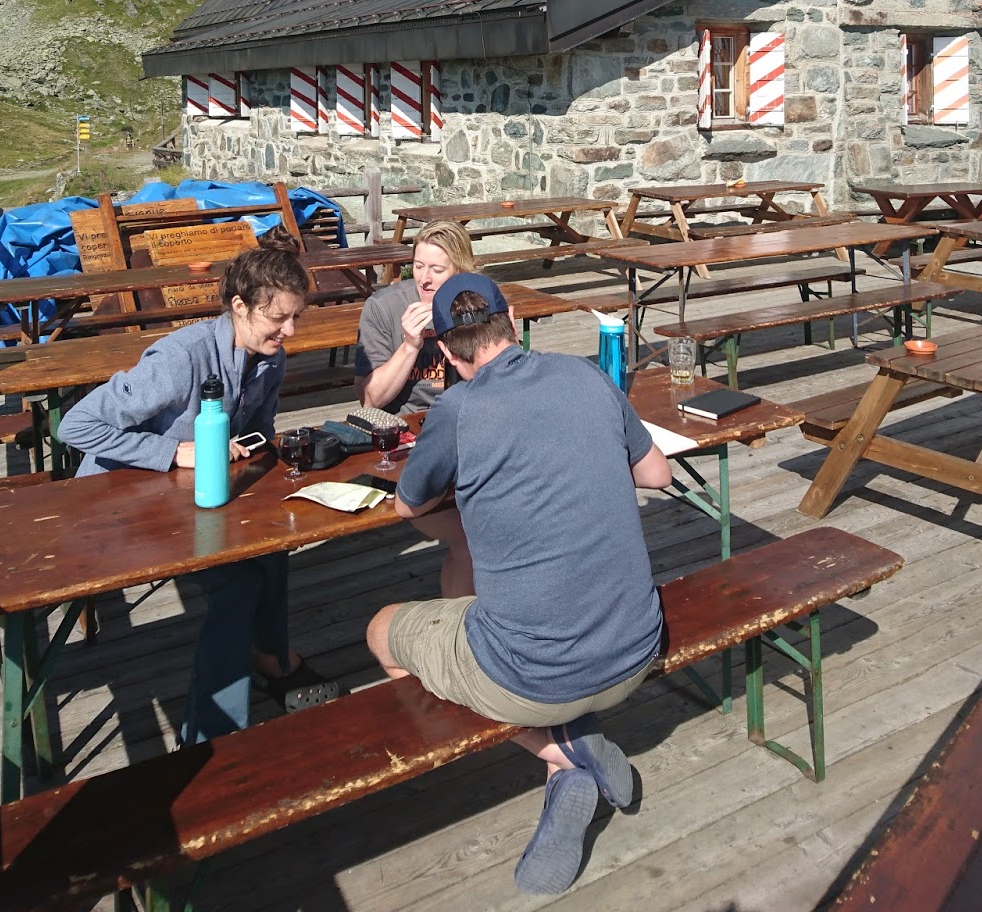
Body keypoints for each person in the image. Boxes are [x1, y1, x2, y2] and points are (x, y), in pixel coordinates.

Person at [366, 274, 671, 897]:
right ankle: (568, 760)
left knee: (380, 631)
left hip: (531, 678)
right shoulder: (588, 375)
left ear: (445, 351)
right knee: (507, 608)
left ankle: (560, 751)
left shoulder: (457, 408)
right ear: (513, 320)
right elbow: (657, 475)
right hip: (637, 648)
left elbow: (407, 505)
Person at [58, 235, 341, 742]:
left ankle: (270, 658)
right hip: (119, 504)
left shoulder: (269, 357)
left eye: (296, 317)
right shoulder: (181, 358)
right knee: (238, 583)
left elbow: (257, 430)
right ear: (239, 306)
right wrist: (169, 452)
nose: (290, 331)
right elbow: (75, 426)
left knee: (272, 546)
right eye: (279, 318)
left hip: (192, 497)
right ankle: (212, 733)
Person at [355, 220, 476, 595]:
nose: (425, 279)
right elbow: (370, 400)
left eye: (437, 269)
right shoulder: (384, 307)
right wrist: (409, 345)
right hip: (406, 443)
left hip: (470, 432)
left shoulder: (475, 303)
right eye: (418, 266)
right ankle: (457, 624)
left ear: (460, 271)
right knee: (471, 539)